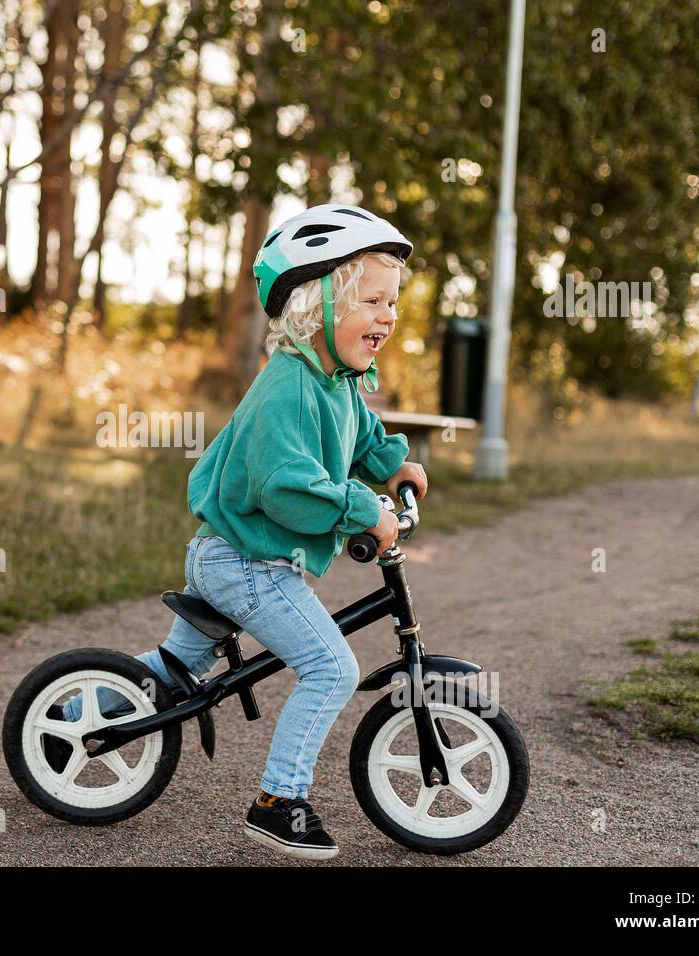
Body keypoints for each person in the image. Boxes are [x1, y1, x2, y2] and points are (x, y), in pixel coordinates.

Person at [55, 204, 428, 861]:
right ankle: (278, 803)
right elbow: (285, 487)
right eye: (372, 300)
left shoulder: (334, 380)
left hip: (231, 554)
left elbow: (360, 435)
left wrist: (392, 463)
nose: (388, 316)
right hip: (247, 563)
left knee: (176, 671)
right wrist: (359, 510)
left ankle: (67, 718)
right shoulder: (287, 387)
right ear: (318, 306)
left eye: (391, 302)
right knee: (330, 666)